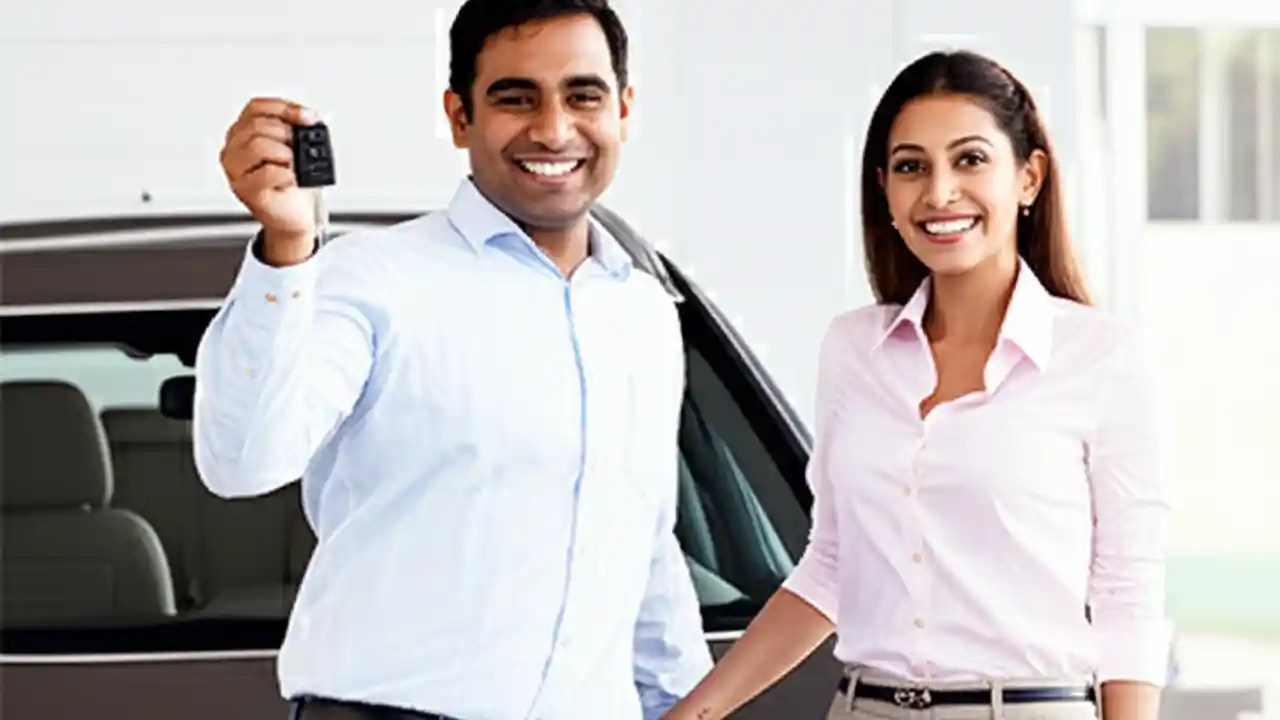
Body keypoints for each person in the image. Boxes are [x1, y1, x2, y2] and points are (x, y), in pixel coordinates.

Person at [195, 1, 713, 718]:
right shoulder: (372, 278)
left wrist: (688, 705)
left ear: (623, 109)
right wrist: (287, 247)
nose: (554, 128)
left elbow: (645, 547)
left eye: (582, 95)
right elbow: (243, 459)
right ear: (459, 115)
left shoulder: (644, 312)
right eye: (515, 97)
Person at [662, 50, 1173, 720]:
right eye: (911, 167)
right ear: (885, 190)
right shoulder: (853, 349)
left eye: (969, 160)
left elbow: (1127, 595)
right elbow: (831, 567)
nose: (938, 193)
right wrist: (693, 714)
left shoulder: (1102, 358)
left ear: (1029, 178)